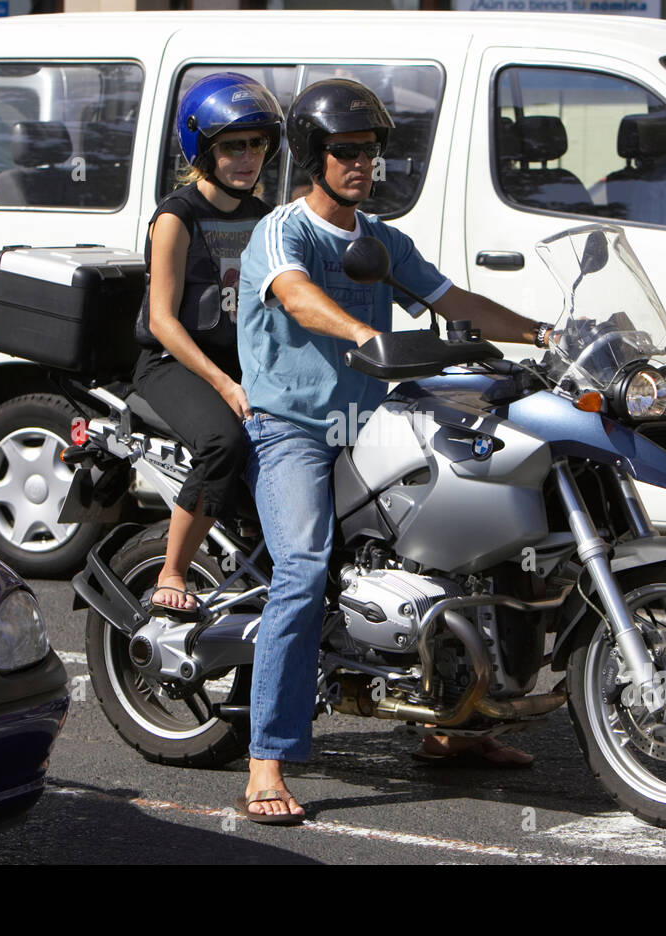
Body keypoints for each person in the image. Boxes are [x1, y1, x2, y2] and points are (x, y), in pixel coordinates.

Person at [233, 78, 554, 824]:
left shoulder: (381, 238)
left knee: (476, 535)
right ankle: (267, 758)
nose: (361, 165)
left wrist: (542, 332)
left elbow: (453, 300)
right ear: (313, 156)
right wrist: (361, 334)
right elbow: (296, 294)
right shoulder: (283, 231)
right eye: (346, 151)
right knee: (304, 566)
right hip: (296, 428)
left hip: (380, 422)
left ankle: (459, 724)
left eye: (370, 153)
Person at [133, 73, 281, 618]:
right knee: (222, 440)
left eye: (257, 143)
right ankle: (173, 568)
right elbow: (164, 320)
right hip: (173, 362)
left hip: (237, 362)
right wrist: (223, 382)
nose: (248, 157)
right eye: (232, 146)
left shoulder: (264, 218)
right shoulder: (177, 217)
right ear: (204, 149)